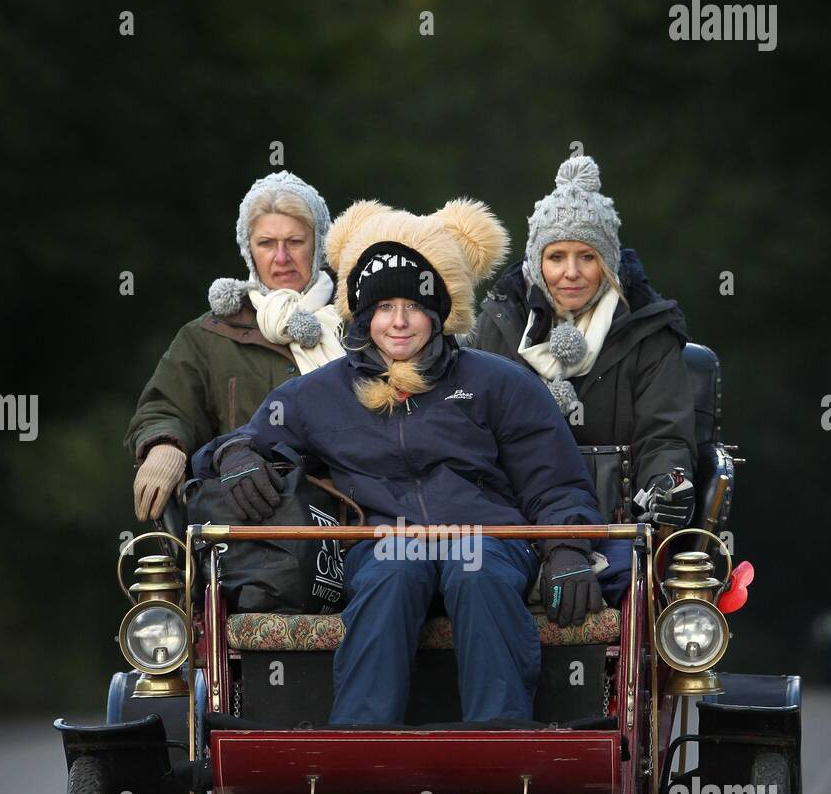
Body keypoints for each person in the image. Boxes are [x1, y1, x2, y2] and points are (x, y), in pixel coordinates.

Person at [192, 197, 632, 726]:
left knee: (476, 573)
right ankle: (360, 743)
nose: (399, 323)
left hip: (486, 536)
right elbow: (244, 439)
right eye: (383, 308)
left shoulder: (499, 381)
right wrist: (236, 453)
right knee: (393, 571)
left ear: (438, 313)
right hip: (386, 539)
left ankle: (501, 739)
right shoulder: (321, 392)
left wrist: (565, 548)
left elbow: (554, 480)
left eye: (415, 308)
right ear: (363, 315)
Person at [474, 152, 697, 527]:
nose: (571, 273)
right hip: (511, 529)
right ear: (536, 262)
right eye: (556, 256)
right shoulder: (496, 325)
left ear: (607, 262)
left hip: (620, 529)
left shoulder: (651, 331)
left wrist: (666, 485)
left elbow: (664, 438)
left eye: (587, 257)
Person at [125, 170, 344, 521]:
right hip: (249, 523)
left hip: (353, 518)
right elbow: (165, 408)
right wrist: (164, 445)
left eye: (296, 242)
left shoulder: (360, 325)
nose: (282, 257)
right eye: (267, 243)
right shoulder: (207, 336)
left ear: (318, 244)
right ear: (249, 250)